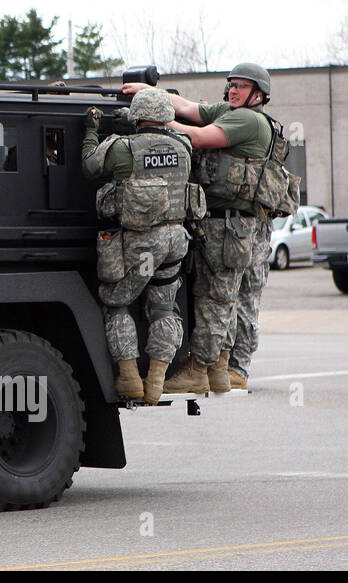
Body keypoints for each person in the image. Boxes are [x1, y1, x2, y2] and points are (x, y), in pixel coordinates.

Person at [123, 63, 290, 395]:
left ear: (259, 95)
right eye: (232, 85)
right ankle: (218, 368)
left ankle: (200, 369)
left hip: (231, 226)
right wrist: (151, 94)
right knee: (219, 297)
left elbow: (198, 137)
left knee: (216, 298)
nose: (233, 91)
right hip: (226, 224)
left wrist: (154, 118)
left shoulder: (248, 120)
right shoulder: (230, 111)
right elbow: (189, 108)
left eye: (242, 87)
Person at [81, 88, 200, 404]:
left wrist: (91, 132)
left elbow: (90, 166)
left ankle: (131, 378)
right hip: (175, 241)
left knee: (117, 303)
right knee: (163, 307)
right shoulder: (183, 146)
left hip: (140, 245)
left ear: (137, 117)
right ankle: (157, 380)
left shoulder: (123, 148)